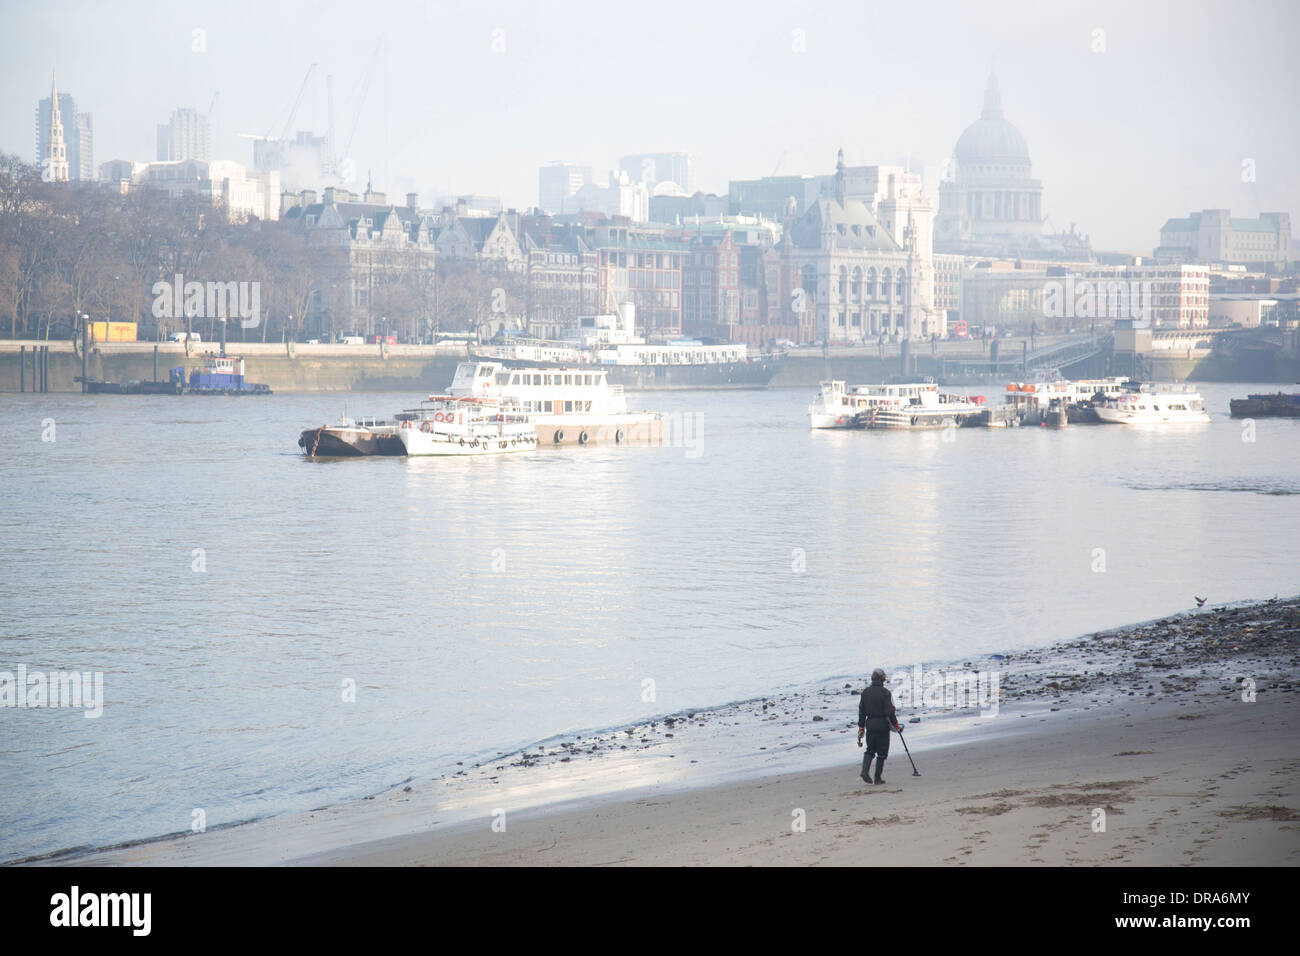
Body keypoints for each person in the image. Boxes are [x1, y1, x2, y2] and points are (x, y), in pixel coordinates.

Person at [857, 668, 902, 785]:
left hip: (870, 725)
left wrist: (861, 727)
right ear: (883, 679)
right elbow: (890, 712)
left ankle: (864, 771)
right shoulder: (885, 693)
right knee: (882, 753)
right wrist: (896, 725)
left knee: (870, 750)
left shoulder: (865, 693)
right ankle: (878, 778)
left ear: (872, 679)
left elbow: (861, 712)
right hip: (882, 725)